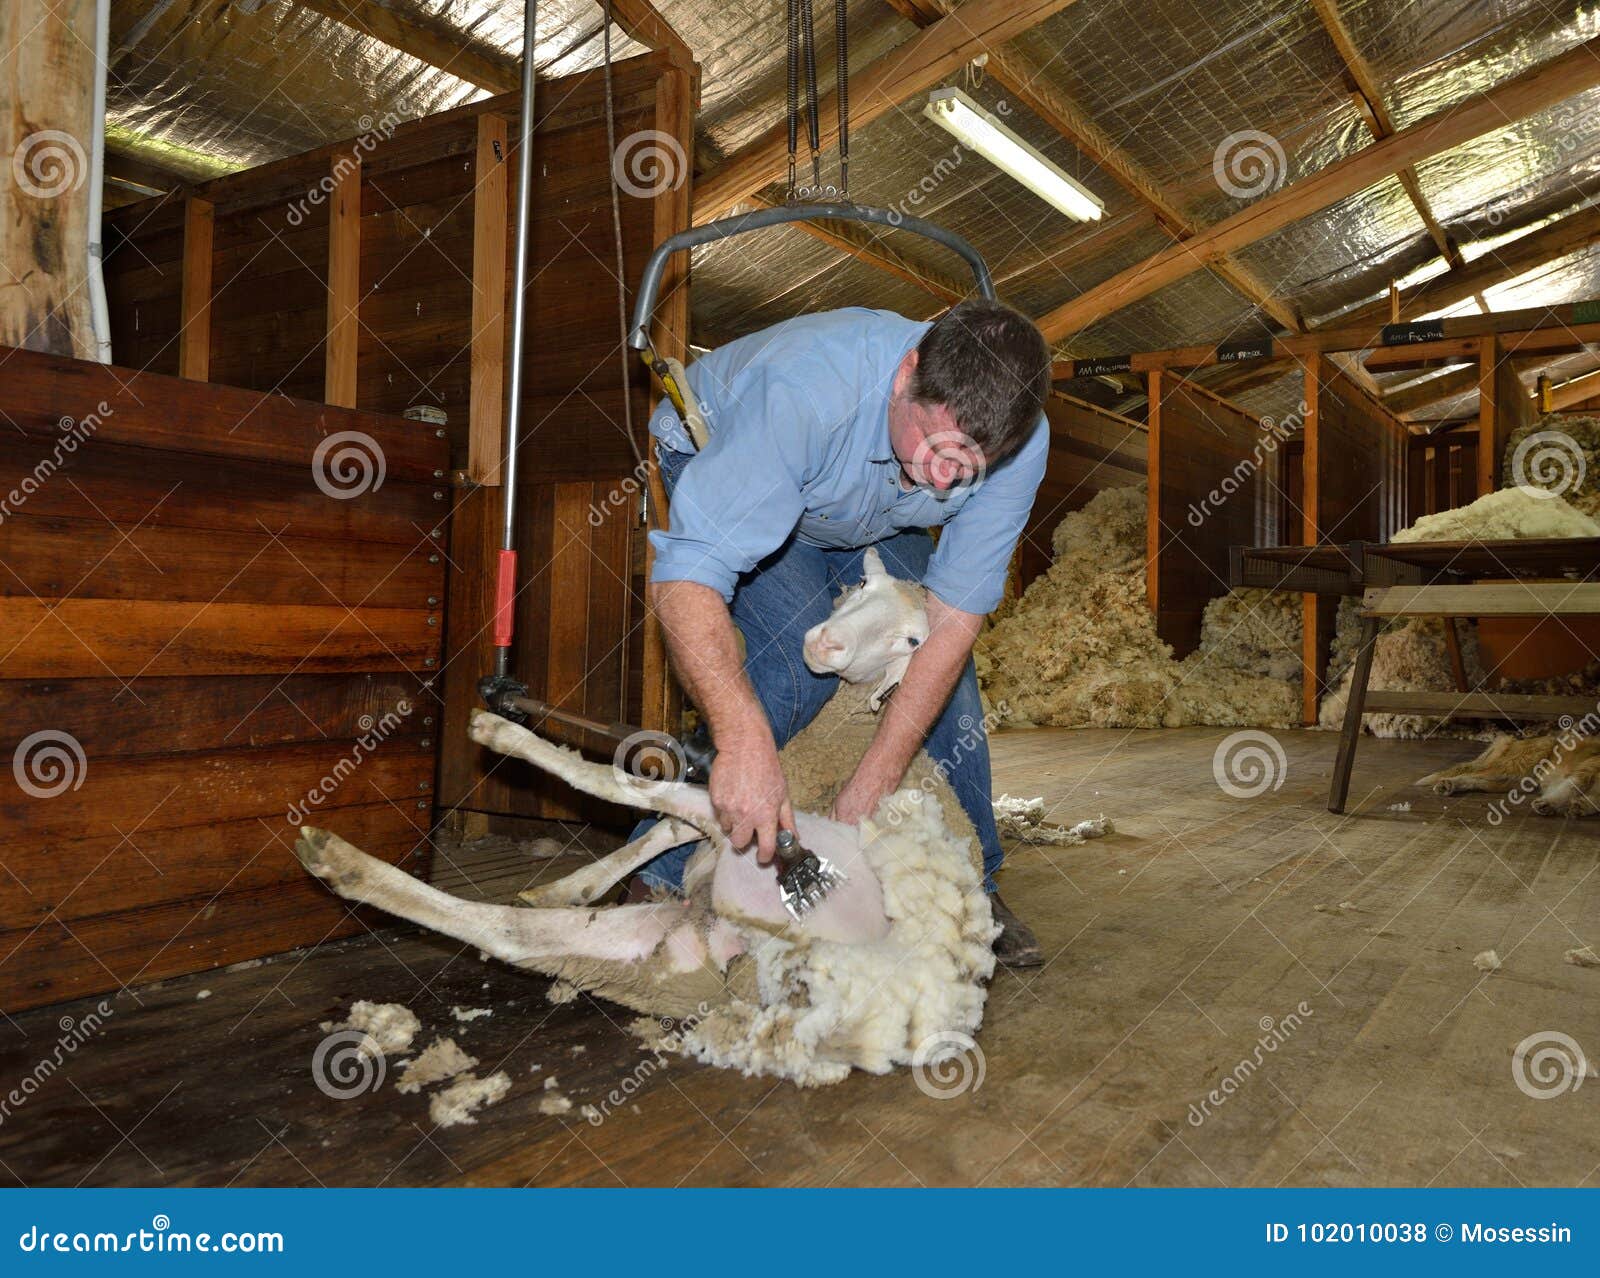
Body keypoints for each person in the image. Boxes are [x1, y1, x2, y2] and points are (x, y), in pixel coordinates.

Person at [638, 299, 1051, 966]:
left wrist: (870, 792)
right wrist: (742, 739)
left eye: (971, 464)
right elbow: (687, 575)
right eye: (935, 443)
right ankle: (661, 876)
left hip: (872, 511)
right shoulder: (808, 391)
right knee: (797, 664)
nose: (946, 481)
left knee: (938, 660)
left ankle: (975, 879)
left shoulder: (1020, 441)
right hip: (734, 453)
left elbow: (952, 622)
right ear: (905, 373)